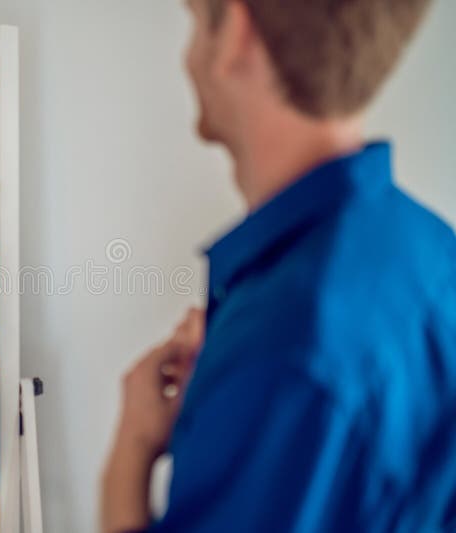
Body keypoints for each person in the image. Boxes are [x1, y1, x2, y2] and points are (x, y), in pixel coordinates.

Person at [101, 0, 456, 531]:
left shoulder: (288, 339)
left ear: (236, 35)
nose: (186, 56)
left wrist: (132, 446)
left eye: (196, 24)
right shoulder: (432, 245)